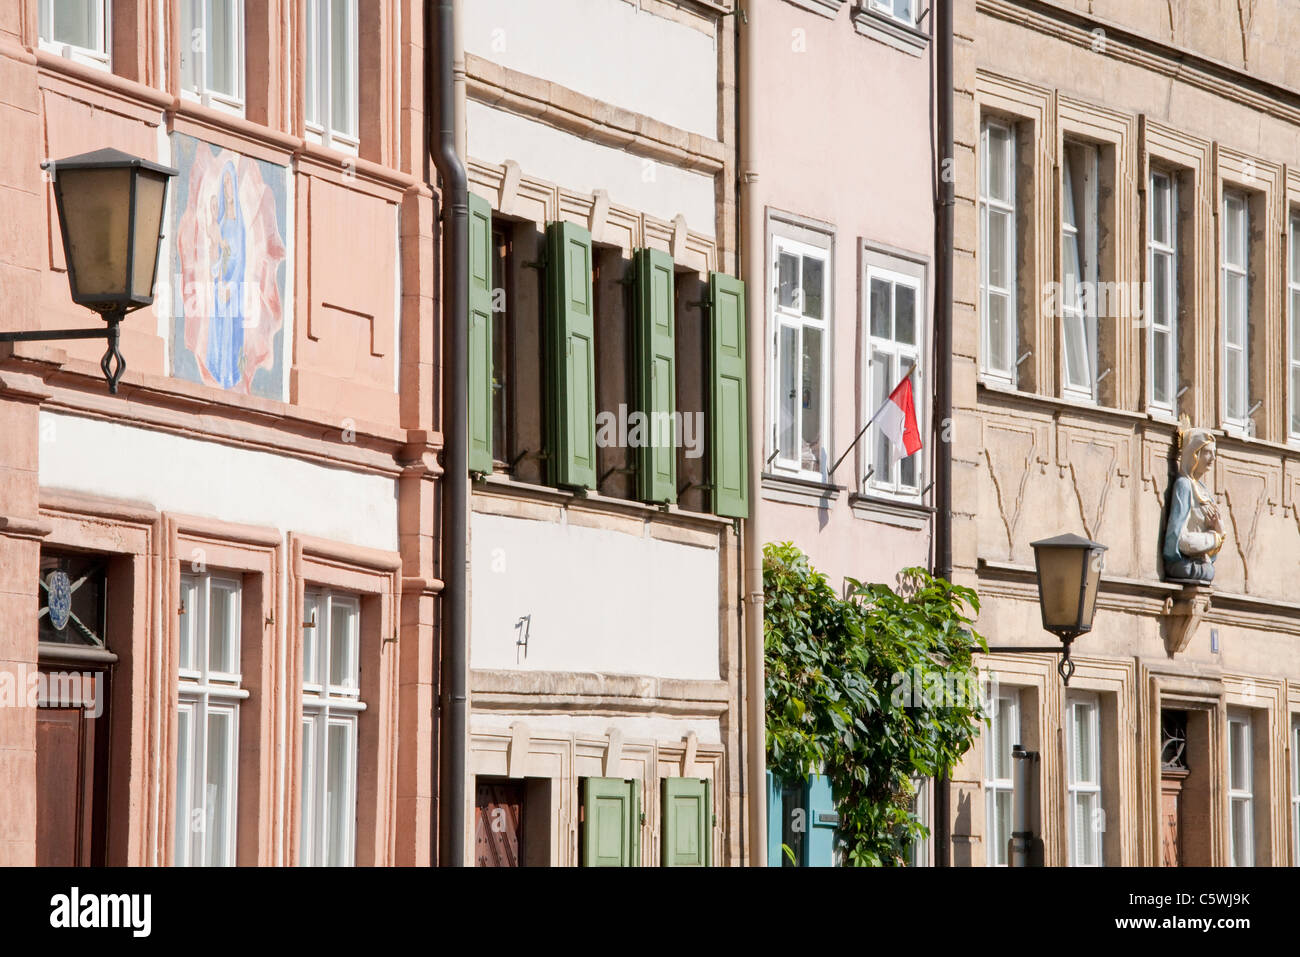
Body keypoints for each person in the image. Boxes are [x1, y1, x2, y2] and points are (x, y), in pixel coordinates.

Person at [1162, 418, 1225, 581]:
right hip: (1184, 562)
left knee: (1207, 572)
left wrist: (1217, 534)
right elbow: (1179, 538)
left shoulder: (1203, 489)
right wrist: (1215, 537)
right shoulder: (1184, 485)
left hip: (1200, 561)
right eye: (1207, 452)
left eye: (1214, 453)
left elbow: (1218, 531)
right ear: (1194, 454)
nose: (1213, 458)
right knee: (1201, 572)